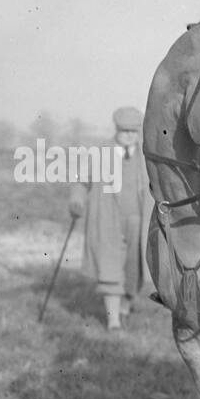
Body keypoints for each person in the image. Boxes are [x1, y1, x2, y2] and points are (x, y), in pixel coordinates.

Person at [68, 107, 152, 331]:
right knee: (109, 267)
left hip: (138, 220)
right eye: (124, 131)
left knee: (134, 269)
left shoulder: (147, 156)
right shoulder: (99, 153)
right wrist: (77, 201)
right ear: (116, 130)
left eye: (133, 132)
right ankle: (113, 320)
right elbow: (81, 181)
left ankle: (125, 306)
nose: (128, 136)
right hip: (107, 219)